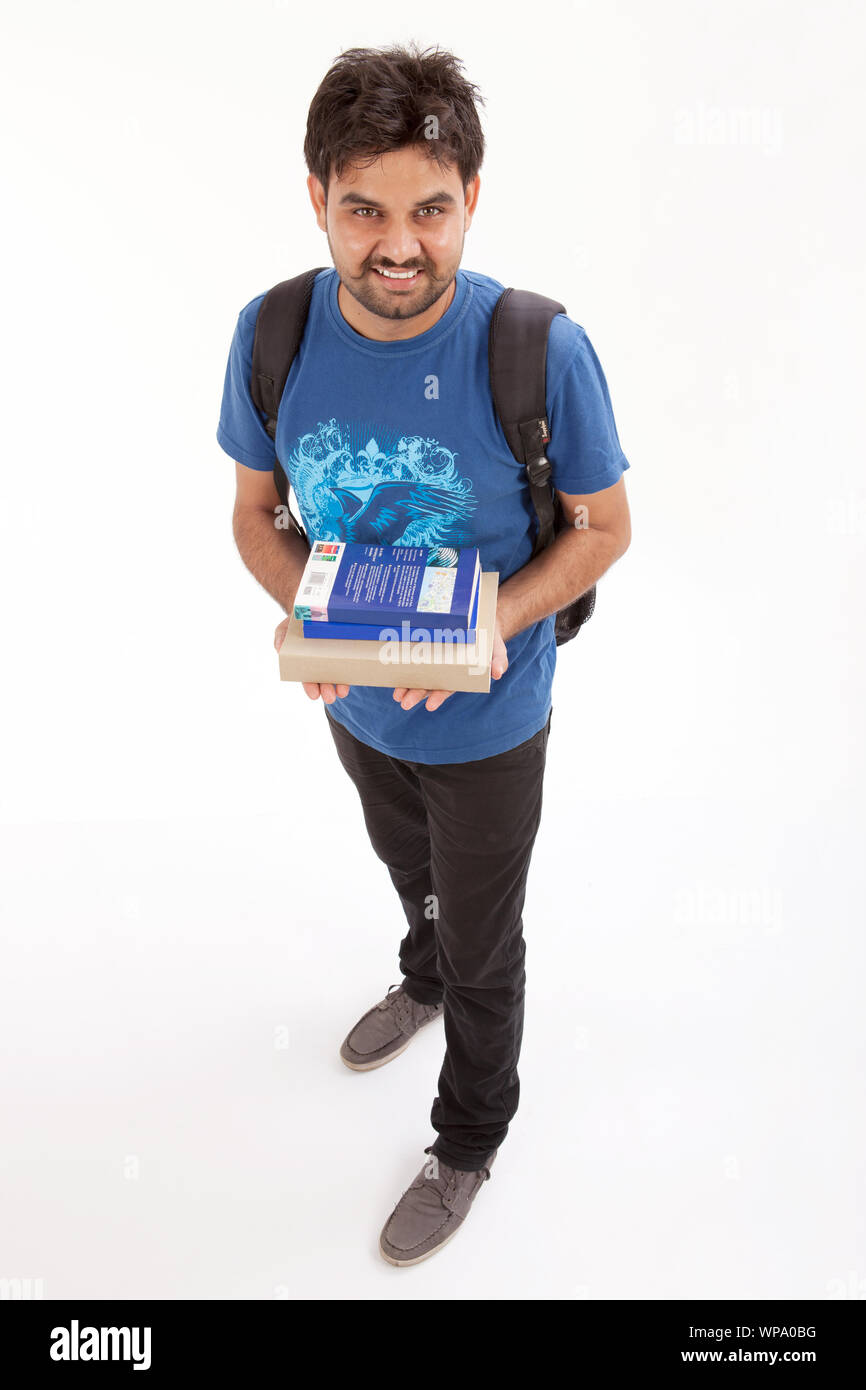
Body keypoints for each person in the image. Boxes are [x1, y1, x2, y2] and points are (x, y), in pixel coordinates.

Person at [217, 42, 632, 1267]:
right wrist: (315, 618)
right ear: (316, 199)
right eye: (364, 209)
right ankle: (421, 968)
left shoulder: (535, 347)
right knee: (410, 870)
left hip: (492, 721)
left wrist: (474, 629)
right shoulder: (273, 331)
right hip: (355, 708)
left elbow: (604, 529)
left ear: (471, 202)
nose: (397, 245)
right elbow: (255, 517)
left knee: (487, 936)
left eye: (429, 211)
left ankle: (467, 1134)